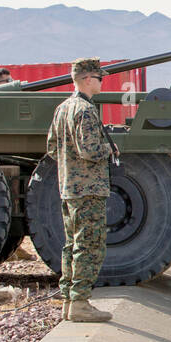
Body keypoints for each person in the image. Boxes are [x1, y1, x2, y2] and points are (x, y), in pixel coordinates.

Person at [46, 57, 116, 323]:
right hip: (88, 189)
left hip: (69, 187)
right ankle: (80, 303)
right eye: (99, 78)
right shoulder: (85, 110)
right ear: (87, 79)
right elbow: (90, 150)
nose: (101, 82)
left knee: (72, 245)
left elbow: (53, 147)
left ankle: (69, 300)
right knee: (90, 246)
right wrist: (109, 148)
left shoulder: (63, 108)